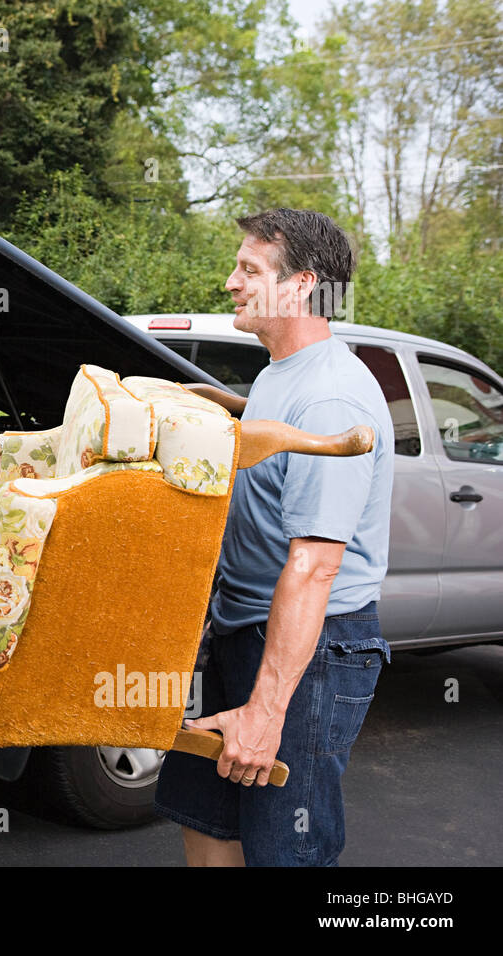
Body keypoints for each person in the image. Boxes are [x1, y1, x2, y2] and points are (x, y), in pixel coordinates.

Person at [153, 208, 395, 866]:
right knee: (205, 817)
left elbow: (315, 568)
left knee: (284, 849)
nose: (230, 281)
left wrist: (265, 711)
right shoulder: (278, 374)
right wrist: (224, 408)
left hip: (310, 654)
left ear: (299, 286)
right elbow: (271, 445)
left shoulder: (330, 401)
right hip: (244, 628)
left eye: (248, 270)